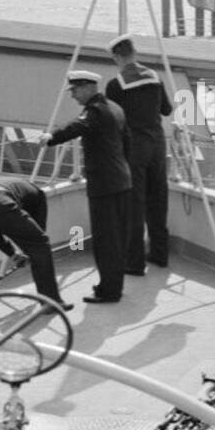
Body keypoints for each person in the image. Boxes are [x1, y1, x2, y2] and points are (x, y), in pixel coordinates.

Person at [40, 70, 131, 304]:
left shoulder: (95, 111)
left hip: (104, 185)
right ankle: (111, 285)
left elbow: (75, 128)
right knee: (116, 237)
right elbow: (127, 143)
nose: (73, 96)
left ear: (89, 87)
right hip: (121, 180)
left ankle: (110, 291)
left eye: (75, 90)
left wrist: (50, 138)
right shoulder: (115, 108)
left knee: (105, 240)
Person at [105, 33, 172, 275]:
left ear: (116, 57)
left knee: (135, 204)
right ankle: (160, 254)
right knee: (158, 199)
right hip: (157, 144)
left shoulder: (116, 85)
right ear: (134, 53)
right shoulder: (155, 78)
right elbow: (166, 109)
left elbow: (111, 121)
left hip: (134, 148)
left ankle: (134, 262)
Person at [0, 174, 71, 308]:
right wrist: (30, 254)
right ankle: (50, 301)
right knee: (41, 245)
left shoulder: (18, 187)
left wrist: (14, 255)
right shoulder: (38, 195)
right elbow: (38, 235)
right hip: (1, 201)